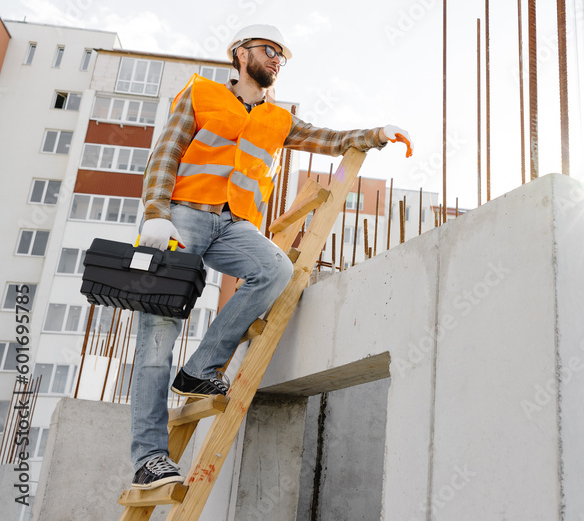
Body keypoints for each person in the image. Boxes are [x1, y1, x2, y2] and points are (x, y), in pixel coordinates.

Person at [129, 24, 411, 489]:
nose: (277, 59)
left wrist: (377, 133)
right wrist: (156, 212)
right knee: (156, 342)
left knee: (274, 269)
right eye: (269, 50)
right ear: (241, 54)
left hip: (235, 225)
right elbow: (166, 154)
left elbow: (329, 139)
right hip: (181, 218)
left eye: (282, 56)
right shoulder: (199, 93)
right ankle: (149, 459)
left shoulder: (280, 119)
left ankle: (200, 368)